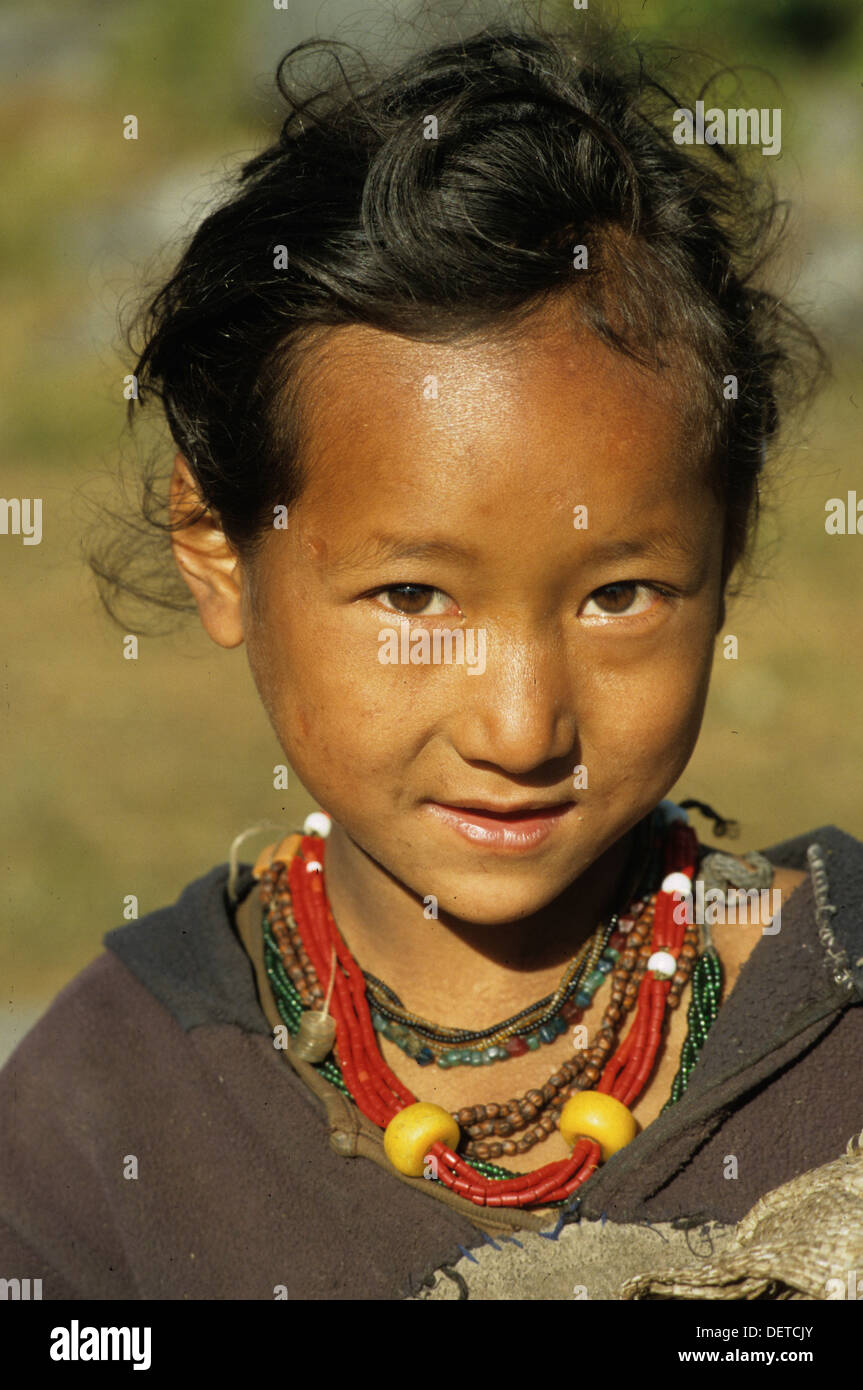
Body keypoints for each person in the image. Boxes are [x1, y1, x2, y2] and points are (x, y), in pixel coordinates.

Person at [1, 18, 861, 1302]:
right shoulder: (103, 1117)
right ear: (219, 549)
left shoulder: (831, 1036)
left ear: (724, 551)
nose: (520, 728)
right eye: (412, 594)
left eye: (619, 593)